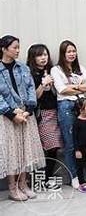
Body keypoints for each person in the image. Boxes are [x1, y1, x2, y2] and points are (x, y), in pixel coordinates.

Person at [0, 35, 45, 201]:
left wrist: (29, 109)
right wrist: (11, 114)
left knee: (25, 150)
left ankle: (23, 184)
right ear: (4, 49)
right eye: (14, 47)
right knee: (11, 151)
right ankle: (12, 187)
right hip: (7, 117)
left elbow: (30, 88)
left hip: (26, 114)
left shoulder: (23, 68)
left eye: (19, 47)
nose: (18, 50)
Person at [51, 40, 86, 189]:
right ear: (63, 54)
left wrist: (73, 87)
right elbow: (61, 90)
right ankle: (75, 176)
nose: (72, 54)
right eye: (68, 51)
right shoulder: (56, 70)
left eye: (73, 51)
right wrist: (79, 87)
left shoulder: (80, 68)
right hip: (65, 106)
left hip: (82, 105)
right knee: (71, 143)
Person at [27, 44, 63, 189]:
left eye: (45, 54)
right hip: (42, 114)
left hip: (56, 112)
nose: (43, 58)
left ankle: (45, 179)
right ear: (33, 58)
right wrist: (43, 84)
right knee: (51, 146)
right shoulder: (30, 74)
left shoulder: (53, 71)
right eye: (39, 55)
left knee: (53, 147)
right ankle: (42, 179)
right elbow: (33, 98)